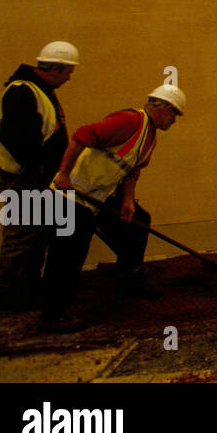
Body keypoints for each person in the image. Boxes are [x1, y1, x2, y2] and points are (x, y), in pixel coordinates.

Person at [37, 84, 186, 332]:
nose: (174, 121)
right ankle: (53, 314)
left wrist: (128, 200)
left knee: (138, 222)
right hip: (69, 196)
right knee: (68, 254)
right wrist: (63, 173)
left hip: (98, 199)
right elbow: (81, 136)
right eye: (175, 115)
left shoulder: (149, 137)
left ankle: (130, 276)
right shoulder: (128, 121)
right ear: (166, 109)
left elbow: (132, 170)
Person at [0, 41, 79, 311]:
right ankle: (11, 296)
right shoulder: (22, 93)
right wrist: (37, 168)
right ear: (54, 69)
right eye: (67, 72)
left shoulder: (38, 90)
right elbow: (15, 137)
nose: (69, 77)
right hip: (23, 178)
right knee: (22, 236)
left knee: (37, 234)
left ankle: (27, 288)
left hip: (34, 177)